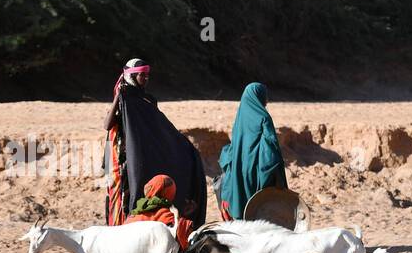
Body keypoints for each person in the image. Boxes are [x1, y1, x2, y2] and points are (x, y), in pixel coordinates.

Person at [103, 58, 207, 231]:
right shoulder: (123, 100)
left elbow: (158, 128)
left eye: (147, 75)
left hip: (143, 153)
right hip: (122, 158)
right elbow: (107, 125)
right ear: (131, 76)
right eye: (141, 75)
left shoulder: (148, 99)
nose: (146, 78)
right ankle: (121, 230)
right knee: (124, 195)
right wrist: (118, 98)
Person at [216, 82, 288, 221]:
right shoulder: (264, 117)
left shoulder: (240, 118)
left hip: (238, 168)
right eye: (265, 96)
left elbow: (234, 146)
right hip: (256, 171)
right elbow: (271, 149)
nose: (267, 100)